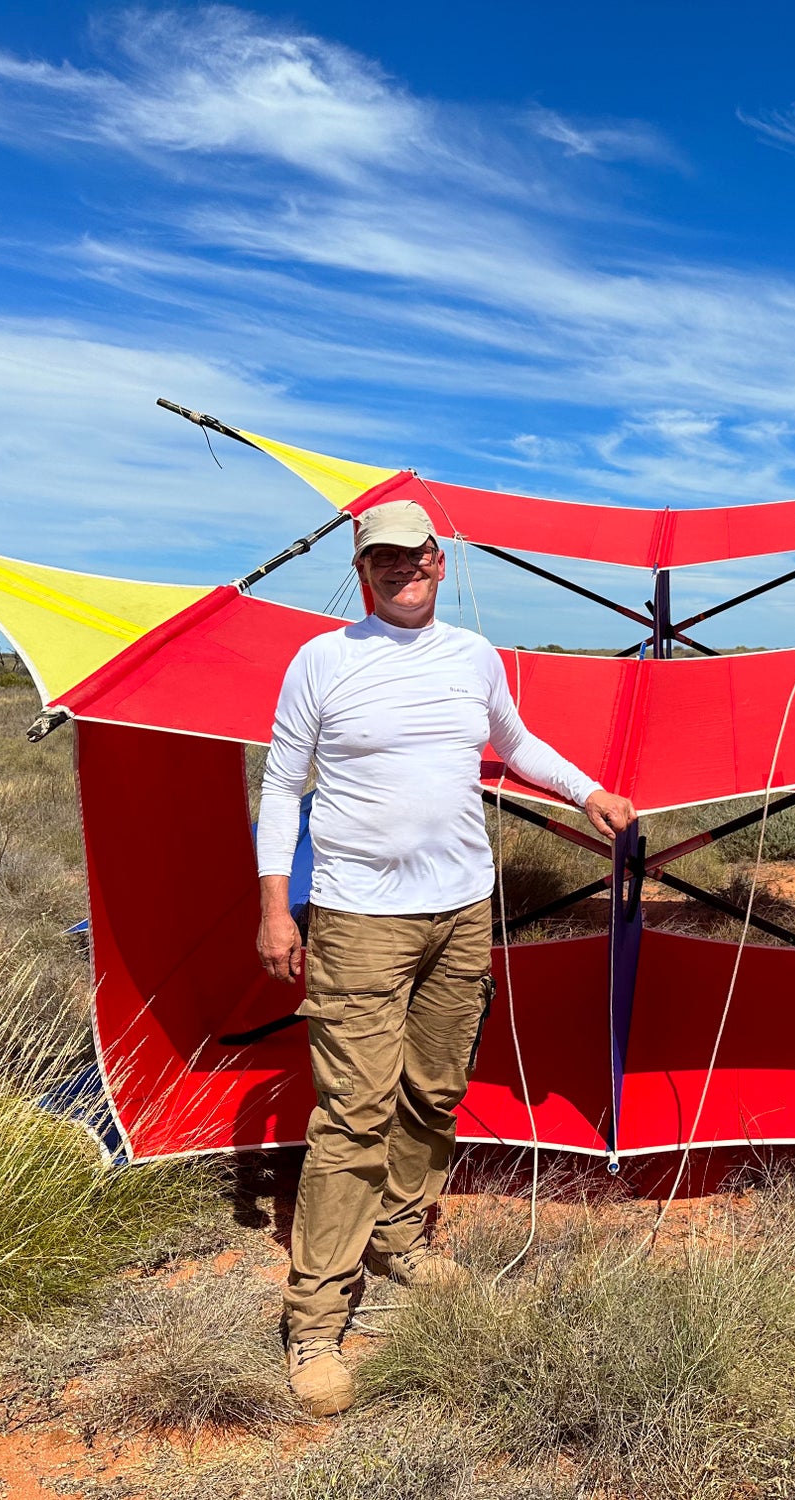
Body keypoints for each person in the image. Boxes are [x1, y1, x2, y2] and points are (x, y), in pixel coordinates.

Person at [255, 499, 634, 1418]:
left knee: (433, 1089)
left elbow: (514, 744)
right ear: (362, 573)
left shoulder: (473, 656)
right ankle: (315, 1324)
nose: (400, 572)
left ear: (438, 558)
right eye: (381, 561)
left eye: (413, 557)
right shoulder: (322, 661)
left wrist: (586, 792)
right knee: (353, 1115)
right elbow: (281, 787)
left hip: (462, 911)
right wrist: (275, 907)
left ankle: (401, 1237)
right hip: (357, 919)